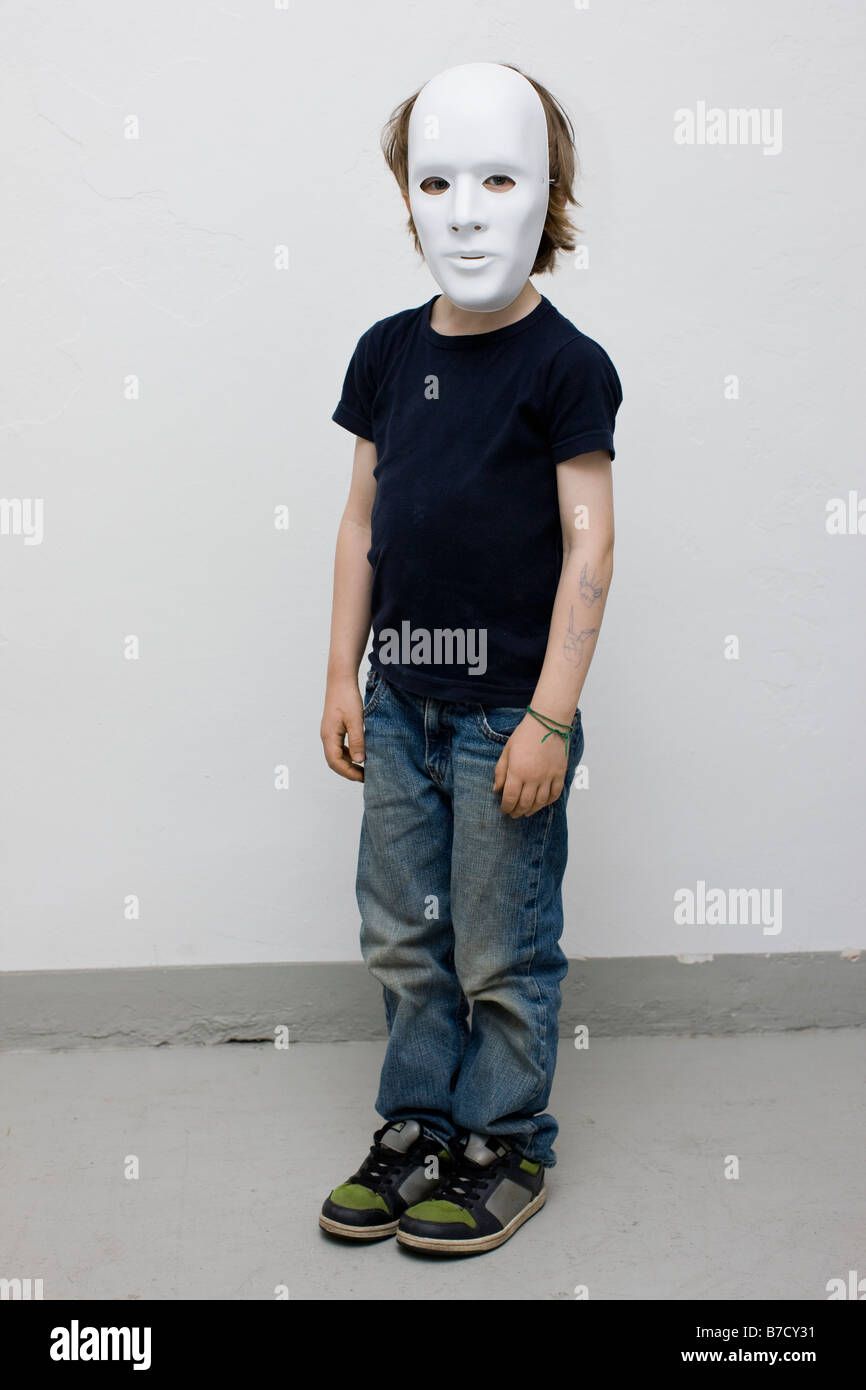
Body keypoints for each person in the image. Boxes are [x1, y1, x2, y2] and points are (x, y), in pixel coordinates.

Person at [318, 61, 622, 1254]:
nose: (464, 209)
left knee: (499, 940)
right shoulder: (387, 353)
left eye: (497, 178)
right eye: (436, 181)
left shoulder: (565, 366)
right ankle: (418, 1124)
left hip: (506, 713)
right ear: (407, 203)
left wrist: (549, 715)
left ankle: (504, 1139)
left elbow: (591, 548)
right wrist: (340, 676)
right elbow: (359, 522)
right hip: (400, 706)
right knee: (402, 931)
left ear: (546, 200)